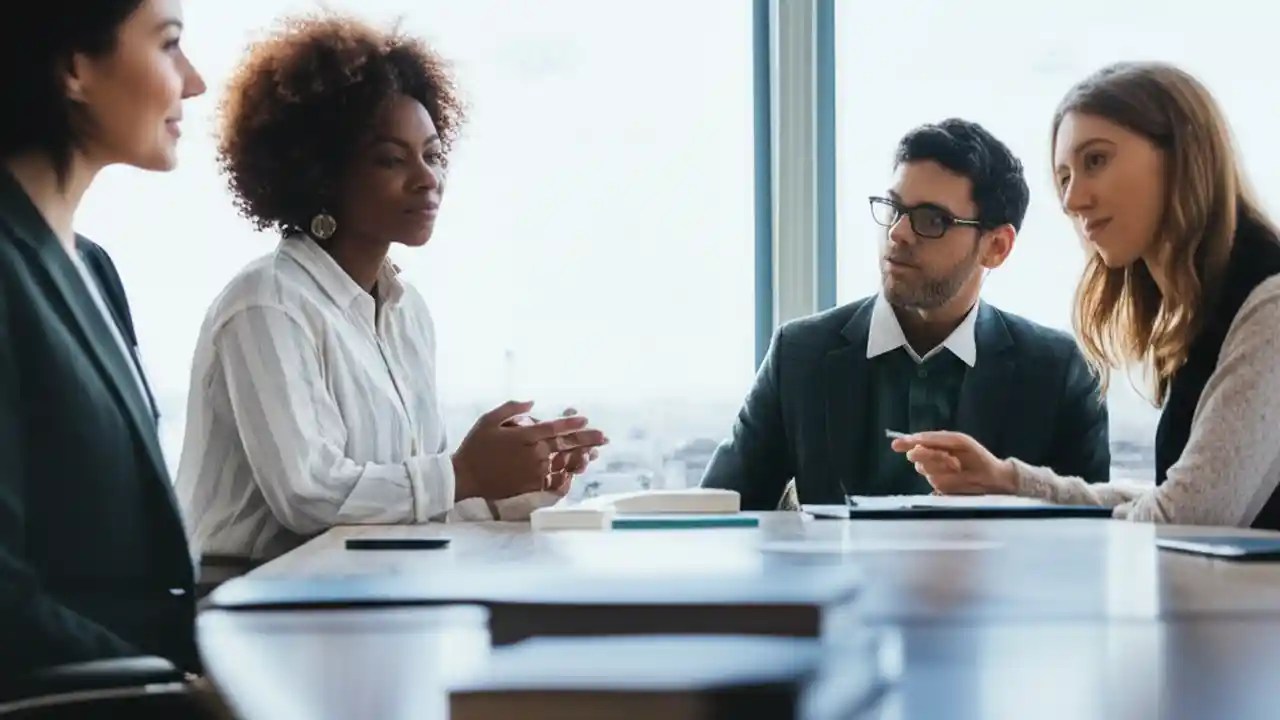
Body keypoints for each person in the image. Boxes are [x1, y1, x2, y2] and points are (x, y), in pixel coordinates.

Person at [175, 14, 607, 568]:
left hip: (360, 588)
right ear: (322, 174)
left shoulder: (406, 314)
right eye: (391, 159)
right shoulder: (268, 303)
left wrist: (514, 491)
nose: (426, 178)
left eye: (432, 154)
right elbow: (310, 497)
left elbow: (402, 508)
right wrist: (465, 472)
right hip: (249, 602)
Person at [895, 62, 1280, 529]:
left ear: (1182, 154)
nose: (1072, 201)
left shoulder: (1270, 306)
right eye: (1064, 178)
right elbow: (1174, 497)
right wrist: (1008, 480)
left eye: (1095, 160)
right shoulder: (1210, 311)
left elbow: (1188, 515)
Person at [701, 119, 1109, 510]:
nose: (898, 232)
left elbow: (1089, 542)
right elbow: (721, 513)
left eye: (931, 220)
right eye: (893, 208)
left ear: (996, 247)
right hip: (838, 583)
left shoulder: (1057, 372)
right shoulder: (800, 355)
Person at [0, 0, 206, 681]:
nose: (195, 81)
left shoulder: (92, 268)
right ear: (73, 67)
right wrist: (184, 690)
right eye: (169, 44)